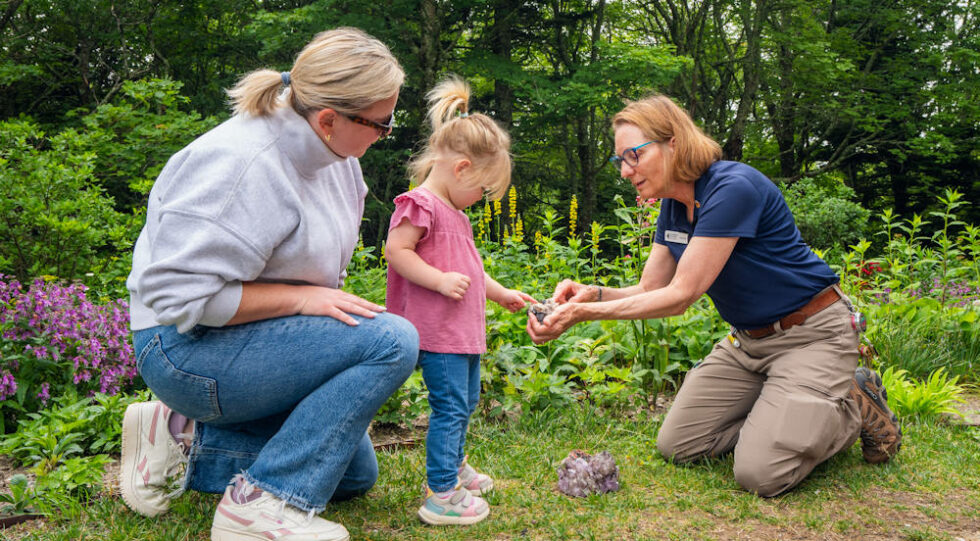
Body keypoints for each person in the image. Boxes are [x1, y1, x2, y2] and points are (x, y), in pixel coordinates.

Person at [119, 28, 419, 541]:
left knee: (352, 474)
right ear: (329, 119)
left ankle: (182, 436)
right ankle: (260, 505)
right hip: (181, 348)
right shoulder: (240, 164)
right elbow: (175, 297)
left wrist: (313, 307)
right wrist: (304, 298)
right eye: (381, 123)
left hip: (253, 336)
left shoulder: (337, 160)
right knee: (393, 340)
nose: (387, 133)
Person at [526, 95, 902, 497]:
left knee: (761, 474)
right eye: (620, 161)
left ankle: (850, 403)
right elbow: (652, 288)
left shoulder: (731, 189)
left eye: (632, 156)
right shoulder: (673, 206)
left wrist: (584, 314)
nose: (624, 171)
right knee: (679, 445)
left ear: (673, 142)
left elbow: (681, 296)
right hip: (749, 344)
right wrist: (593, 294)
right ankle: (786, 410)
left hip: (813, 334)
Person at [385, 77, 535, 525]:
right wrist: (437, 280)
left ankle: (454, 465)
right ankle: (441, 495)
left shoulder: (454, 212)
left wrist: (501, 292)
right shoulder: (421, 204)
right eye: (483, 191)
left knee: (464, 403)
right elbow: (397, 252)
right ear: (463, 168)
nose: (481, 201)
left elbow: (470, 271)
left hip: (463, 334)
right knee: (450, 407)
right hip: (438, 333)